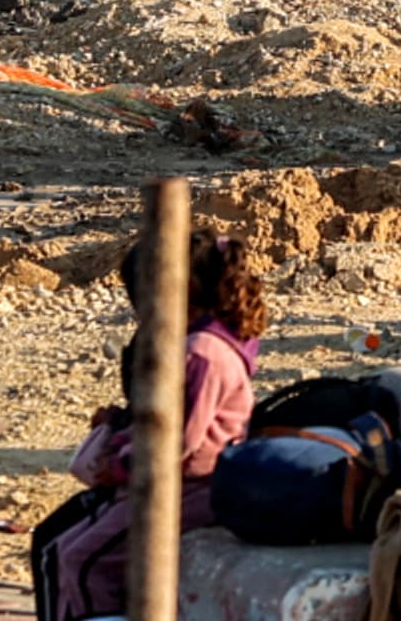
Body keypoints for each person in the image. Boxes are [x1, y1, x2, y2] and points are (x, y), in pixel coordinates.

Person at [32, 225, 265, 621]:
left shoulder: (201, 353)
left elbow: (178, 441)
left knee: (81, 564)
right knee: (58, 545)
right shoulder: (205, 341)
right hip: (170, 480)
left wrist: (120, 463)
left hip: (187, 489)